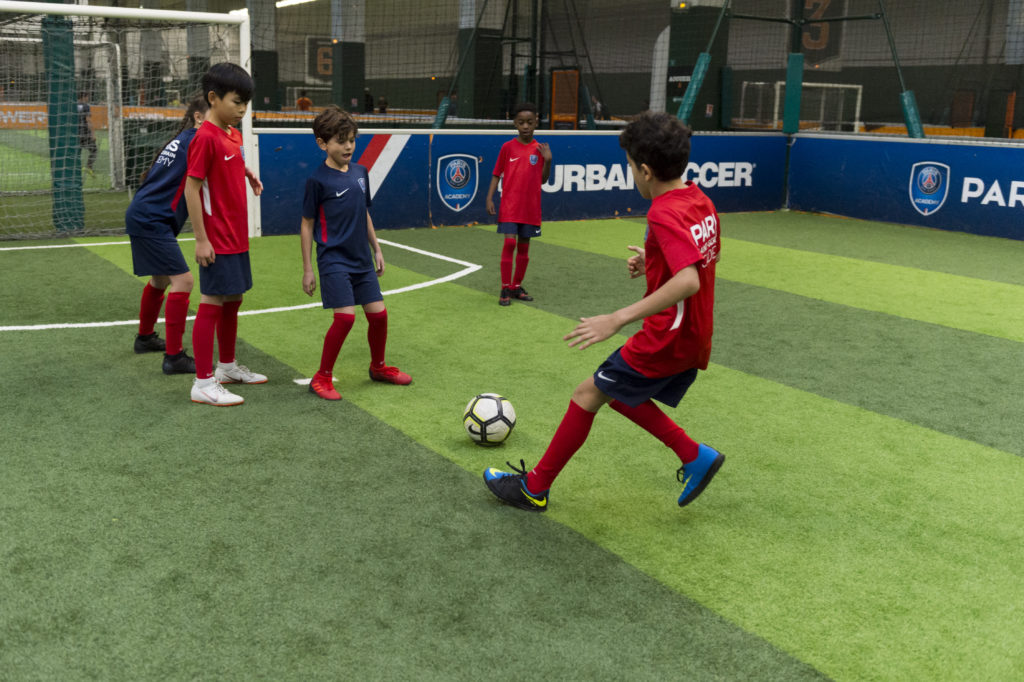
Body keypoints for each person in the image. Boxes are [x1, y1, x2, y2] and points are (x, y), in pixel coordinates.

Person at [483, 112, 724, 512]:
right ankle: (693, 454)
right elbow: (700, 258)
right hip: (694, 332)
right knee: (615, 393)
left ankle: (534, 488)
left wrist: (617, 318)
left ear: (645, 171)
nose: (631, 174)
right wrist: (651, 259)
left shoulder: (661, 212)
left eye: (630, 167)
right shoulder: (699, 199)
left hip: (667, 334)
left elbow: (688, 280)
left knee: (587, 394)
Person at [300, 105, 412, 400]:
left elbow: (364, 214)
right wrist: (308, 268)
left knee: (379, 316)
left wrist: (377, 248)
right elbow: (307, 224)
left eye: (351, 139)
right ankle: (321, 377)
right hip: (333, 259)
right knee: (345, 318)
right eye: (340, 140)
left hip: (361, 258)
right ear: (322, 143)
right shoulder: (317, 180)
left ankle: (378, 367)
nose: (348, 146)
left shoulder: (361, 172)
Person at [183, 62, 267, 406]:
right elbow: (192, 188)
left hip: (237, 235)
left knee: (234, 298)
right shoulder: (204, 136)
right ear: (213, 98)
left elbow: (230, 159)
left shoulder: (231, 133)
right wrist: (201, 239)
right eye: (237, 101)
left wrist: (247, 171)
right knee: (212, 301)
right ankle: (203, 382)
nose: (243, 109)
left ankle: (227, 366)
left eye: (246, 102)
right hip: (216, 237)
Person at [126, 94, 209, 375]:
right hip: (152, 219)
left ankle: (145, 338)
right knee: (183, 281)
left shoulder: (185, 138)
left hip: (145, 215)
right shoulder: (196, 141)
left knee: (161, 279)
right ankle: (174, 357)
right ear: (199, 117)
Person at [485, 102, 552, 306]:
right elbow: (497, 174)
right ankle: (505, 287)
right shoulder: (507, 147)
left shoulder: (540, 149)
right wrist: (489, 198)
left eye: (529, 122)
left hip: (530, 207)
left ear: (536, 123)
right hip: (510, 205)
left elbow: (543, 180)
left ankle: (515, 286)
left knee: (524, 247)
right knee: (510, 243)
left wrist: (548, 161)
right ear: (515, 123)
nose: (525, 126)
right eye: (521, 122)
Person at [77, 91, 98, 174]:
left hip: (75, 133)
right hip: (85, 133)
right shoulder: (86, 106)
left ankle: (76, 168)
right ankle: (89, 167)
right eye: (87, 97)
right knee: (94, 150)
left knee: (77, 151)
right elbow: (88, 120)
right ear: (83, 97)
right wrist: (93, 134)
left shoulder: (72, 105)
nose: (88, 98)